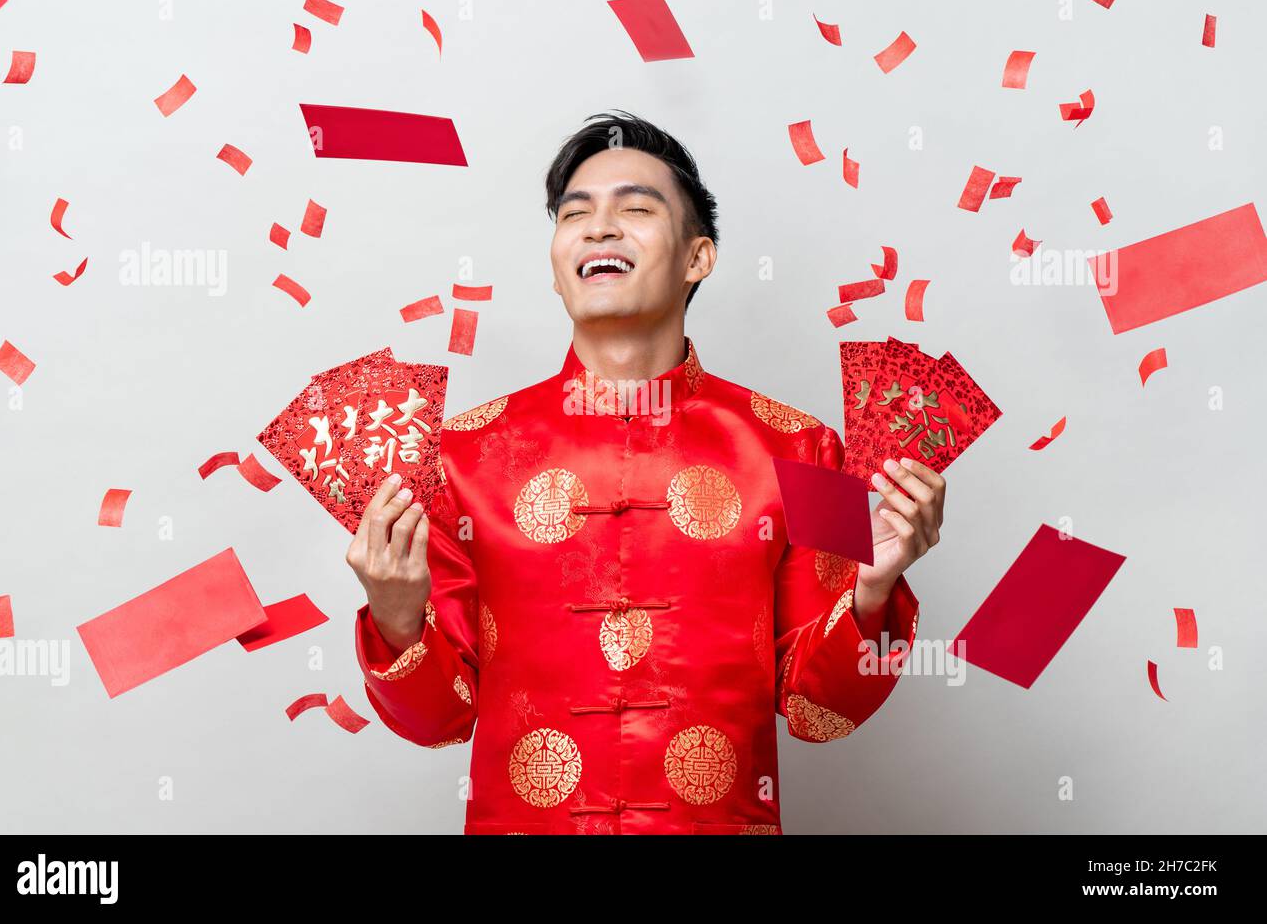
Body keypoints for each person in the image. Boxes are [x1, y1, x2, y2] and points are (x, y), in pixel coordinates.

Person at [346, 110, 946, 834]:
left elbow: (823, 710)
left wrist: (873, 592)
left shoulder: (805, 449)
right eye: (576, 214)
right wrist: (394, 614)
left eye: (634, 209)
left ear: (698, 257)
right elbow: (438, 720)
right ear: (557, 261)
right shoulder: (458, 457)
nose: (599, 228)